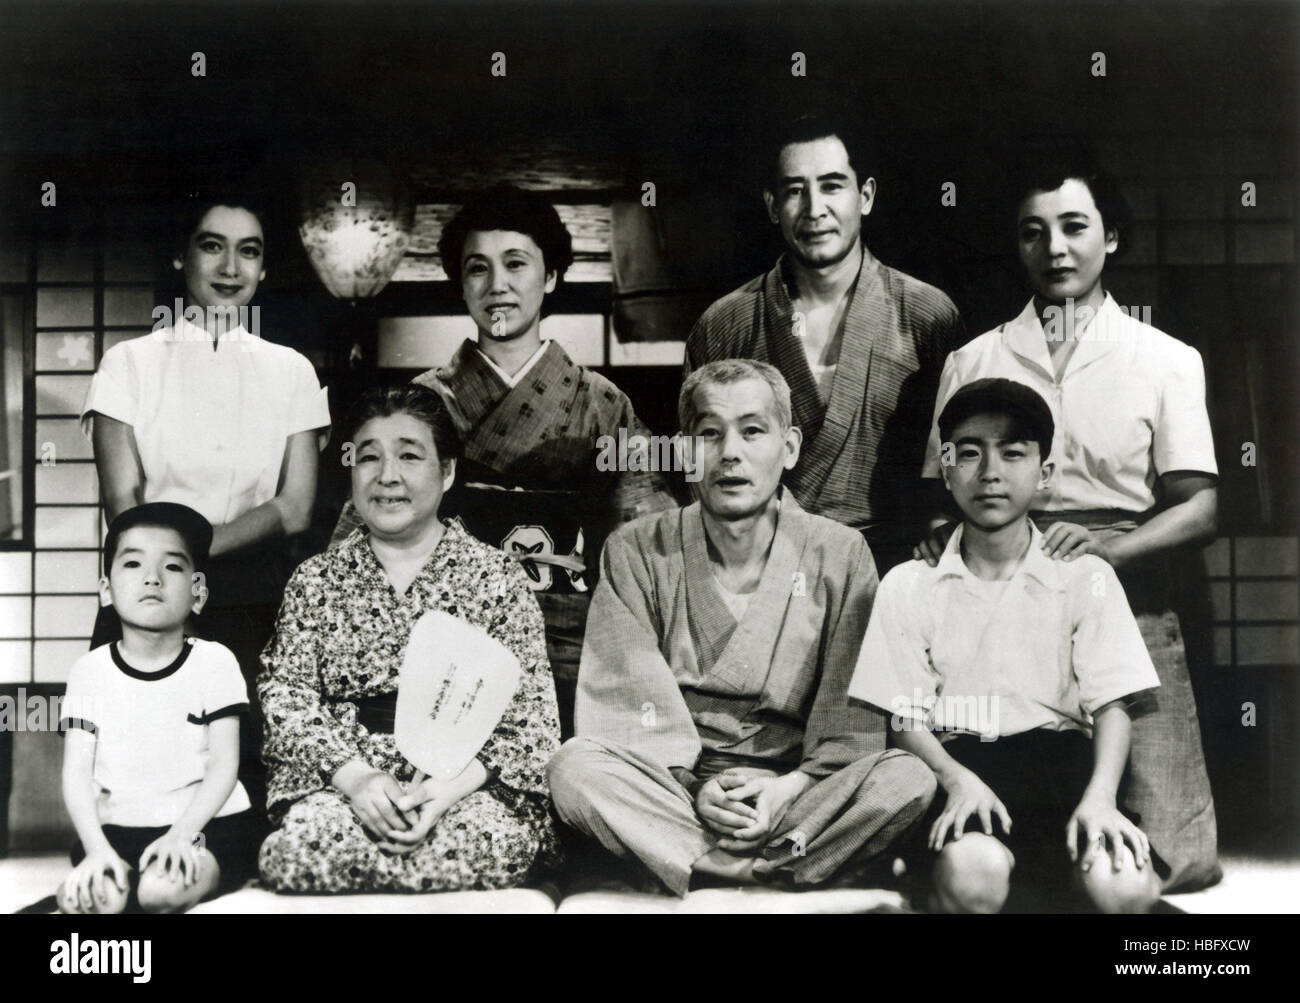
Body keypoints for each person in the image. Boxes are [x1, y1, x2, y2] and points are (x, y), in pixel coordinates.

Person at [916, 157, 1220, 892]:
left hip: (1126, 590)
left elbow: (1201, 506)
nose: (1055, 247)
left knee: (1173, 858)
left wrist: (1112, 552)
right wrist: (941, 537)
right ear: (1018, 247)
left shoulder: (1165, 359)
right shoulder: (975, 358)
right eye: (1034, 232)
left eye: (1075, 226)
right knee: (990, 835)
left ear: (1111, 237)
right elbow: (943, 489)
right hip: (999, 587)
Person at [546, 360, 935, 897]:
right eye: (710, 434)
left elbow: (850, 723)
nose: (730, 453)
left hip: (797, 792)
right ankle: (763, 872)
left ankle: (709, 868)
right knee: (574, 767)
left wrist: (789, 786)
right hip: (676, 792)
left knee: (906, 777)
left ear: (790, 447)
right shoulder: (636, 549)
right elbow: (623, 704)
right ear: (685, 451)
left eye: (753, 431)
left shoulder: (840, 552)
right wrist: (694, 788)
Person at [331, 186, 674, 740]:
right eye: (477, 269)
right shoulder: (419, 403)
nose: (498, 287)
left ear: (551, 276)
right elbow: (364, 533)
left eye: (516, 264)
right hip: (443, 644)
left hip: (572, 644)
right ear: (459, 284)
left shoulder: (603, 402)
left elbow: (643, 536)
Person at [853, 379, 1162, 913]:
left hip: (1064, 768)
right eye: (968, 454)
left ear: (1044, 474)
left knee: (1126, 889)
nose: (990, 472)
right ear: (945, 469)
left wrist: (1102, 797)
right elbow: (904, 718)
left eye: (1013, 453)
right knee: (978, 876)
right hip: (958, 766)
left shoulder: (1085, 574)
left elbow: (1112, 704)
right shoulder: (908, 582)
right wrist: (956, 779)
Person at [81, 189, 331, 821]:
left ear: (265, 267)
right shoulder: (128, 364)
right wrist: (169, 577)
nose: (230, 268)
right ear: (180, 256)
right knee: (133, 771)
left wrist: (205, 551)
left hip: (254, 594)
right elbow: (123, 500)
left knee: (245, 778)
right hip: (148, 587)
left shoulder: (291, 371)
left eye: (249, 252)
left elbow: (296, 506)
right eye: (211, 245)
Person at [258, 385, 561, 893]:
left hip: (462, 789)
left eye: (409, 455)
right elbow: (285, 697)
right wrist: (355, 780)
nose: (387, 476)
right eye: (369, 457)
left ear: (447, 472)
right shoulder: (316, 579)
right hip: (347, 785)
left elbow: (533, 716)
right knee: (298, 850)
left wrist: (445, 791)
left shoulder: (495, 577)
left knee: (490, 842)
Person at [684, 113, 964, 573]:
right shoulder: (724, 324)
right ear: (773, 205)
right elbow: (697, 465)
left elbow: (960, 454)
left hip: (899, 566)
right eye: (795, 191)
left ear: (865, 196)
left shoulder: (927, 315)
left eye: (832, 186)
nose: (814, 208)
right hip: (760, 564)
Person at [58, 502, 257, 914]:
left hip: (207, 826)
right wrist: (96, 849)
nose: (152, 578)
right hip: (118, 828)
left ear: (198, 591)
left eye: (172, 567)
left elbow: (224, 765)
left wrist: (182, 835)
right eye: (132, 564)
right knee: (94, 903)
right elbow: (76, 771)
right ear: (106, 590)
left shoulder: (214, 661)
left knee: (159, 894)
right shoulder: (88, 671)